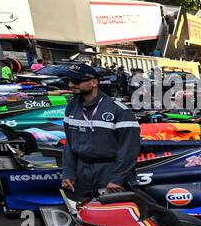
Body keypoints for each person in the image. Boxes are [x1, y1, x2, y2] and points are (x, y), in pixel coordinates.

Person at [60, 64, 141, 198]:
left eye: (76, 81)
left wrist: (117, 178)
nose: (70, 84)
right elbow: (69, 144)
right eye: (68, 81)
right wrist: (68, 172)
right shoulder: (71, 107)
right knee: (84, 214)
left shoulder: (119, 111)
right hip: (82, 172)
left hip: (108, 171)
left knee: (111, 215)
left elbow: (129, 150)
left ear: (94, 82)